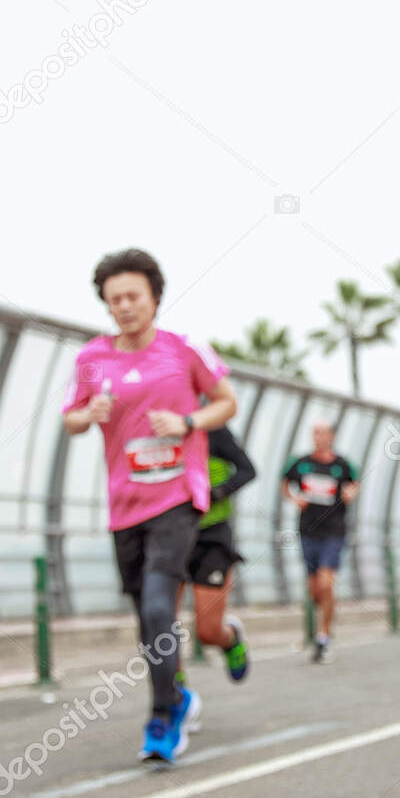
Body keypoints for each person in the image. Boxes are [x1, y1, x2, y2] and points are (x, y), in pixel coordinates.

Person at [62, 249, 237, 764]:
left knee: (162, 605)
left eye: (133, 296)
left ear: (154, 298)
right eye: (115, 299)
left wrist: (187, 424)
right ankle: (178, 693)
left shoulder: (184, 350)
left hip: (179, 497)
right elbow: (68, 419)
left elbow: (227, 401)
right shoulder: (91, 360)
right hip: (126, 505)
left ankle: (162, 716)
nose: (124, 306)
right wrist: (87, 413)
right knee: (147, 618)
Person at [182, 424, 255, 684]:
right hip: (169, 534)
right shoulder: (154, 429)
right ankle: (175, 698)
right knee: (161, 623)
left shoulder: (212, 430)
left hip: (211, 535)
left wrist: (217, 492)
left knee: (207, 632)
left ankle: (231, 637)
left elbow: (248, 470)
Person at [283, 424, 360, 663]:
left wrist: (350, 494)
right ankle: (323, 622)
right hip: (308, 530)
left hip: (334, 531)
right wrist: (295, 499)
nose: (319, 437)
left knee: (326, 584)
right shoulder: (301, 462)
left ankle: (324, 637)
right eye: (315, 432)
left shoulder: (342, 465)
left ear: (332, 436)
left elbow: (355, 484)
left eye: (323, 432)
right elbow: (284, 482)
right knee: (315, 590)